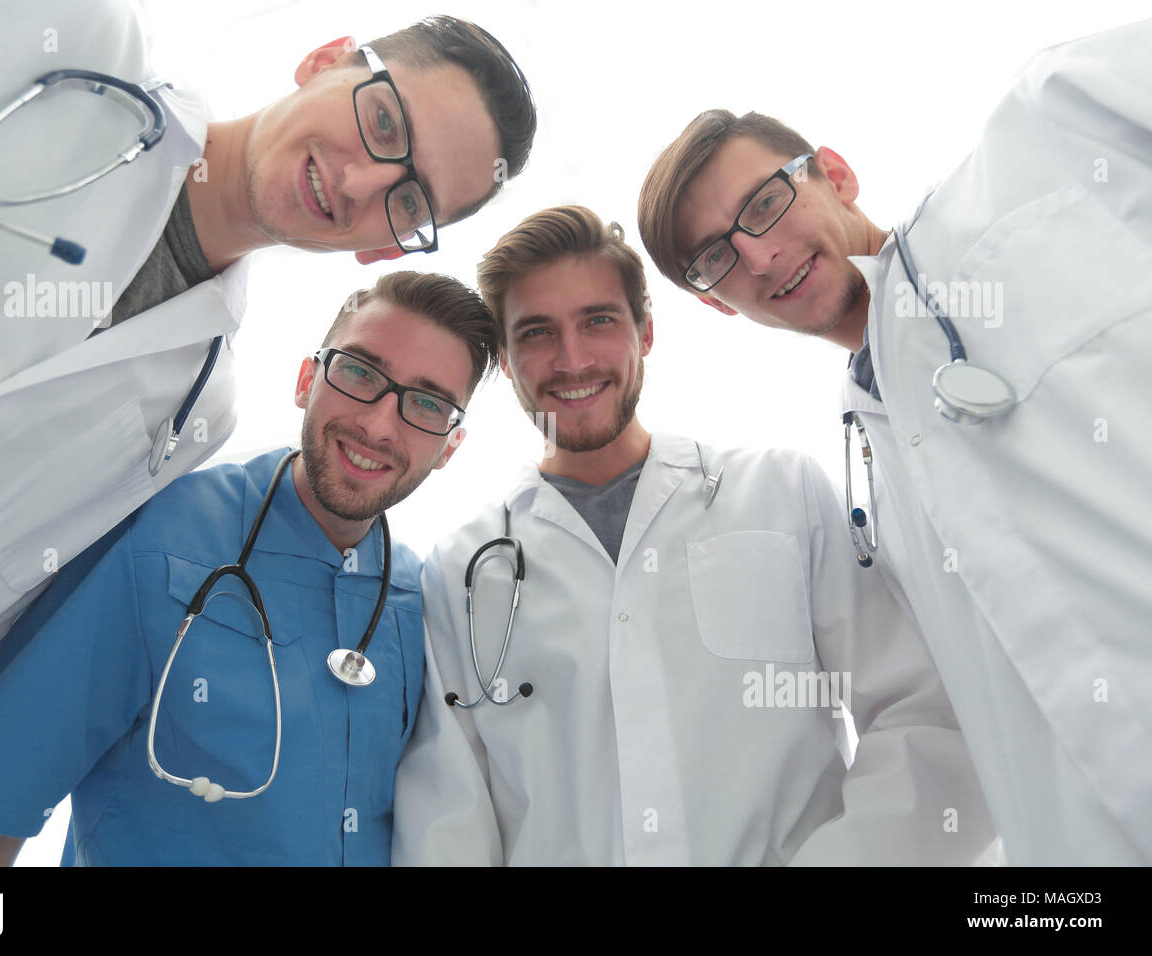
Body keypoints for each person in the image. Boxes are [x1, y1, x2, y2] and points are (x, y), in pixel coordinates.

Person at [0, 0, 535, 862]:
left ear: (386, 247)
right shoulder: (69, 35)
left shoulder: (192, 415)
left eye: (407, 199)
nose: (364, 181)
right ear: (326, 57)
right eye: (383, 119)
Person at [636, 20, 1152, 864]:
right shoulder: (867, 484)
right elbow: (948, 723)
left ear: (835, 175)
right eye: (718, 260)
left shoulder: (1045, 140)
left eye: (764, 204)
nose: (760, 257)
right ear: (717, 304)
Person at [391, 205, 994, 866]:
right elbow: (448, 823)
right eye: (536, 333)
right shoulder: (462, 571)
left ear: (645, 332)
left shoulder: (781, 493)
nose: (572, 359)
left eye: (598, 320)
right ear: (504, 361)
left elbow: (921, 717)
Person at [0, 271, 497, 866]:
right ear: (307, 378)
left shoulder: (425, 607)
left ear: (449, 445)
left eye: (425, 403)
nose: (377, 423)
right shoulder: (152, 540)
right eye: (360, 372)